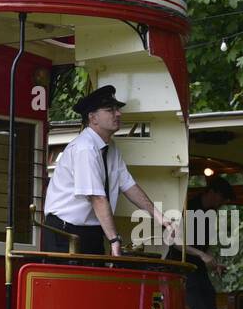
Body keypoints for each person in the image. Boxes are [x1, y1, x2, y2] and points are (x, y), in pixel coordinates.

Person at [43, 85, 180, 256]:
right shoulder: (84, 148)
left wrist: (159, 216)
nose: (118, 114)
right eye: (110, 110)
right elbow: (97, 198)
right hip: (65, 234)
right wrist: (114, 240)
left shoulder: (111, 148)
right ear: (93, 118)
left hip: (90, 231)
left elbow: (128, 185)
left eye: (117, 109)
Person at [179, 177, 230, 309]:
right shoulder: (188, 208)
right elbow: (174, 242)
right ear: (213, 193)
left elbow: (202, 246)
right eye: (222, 199)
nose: (222, 204)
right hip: (184, 268)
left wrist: (212, 262)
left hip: (198, 270)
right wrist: (202, 255)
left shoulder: (209, 215)